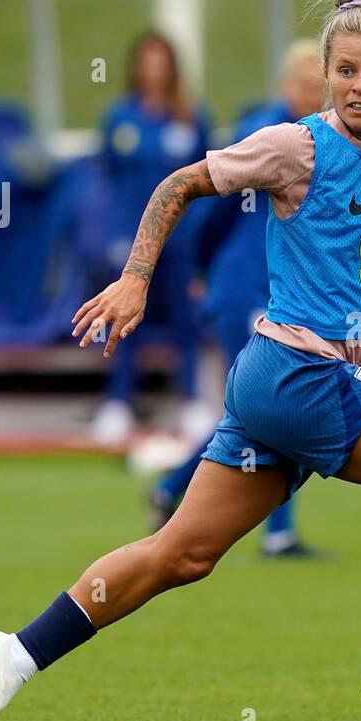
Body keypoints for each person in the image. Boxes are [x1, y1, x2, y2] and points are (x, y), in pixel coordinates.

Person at [0, 0, 361, 721]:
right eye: (344, 71)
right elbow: (179, 183)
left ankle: (16, 653)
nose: (359, 85)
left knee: (182, 553)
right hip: (302, 371)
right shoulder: (293, 146)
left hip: (277, 381)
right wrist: (136, 279)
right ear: (323, 78)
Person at [147, 40, 326, 558]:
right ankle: (278, 533)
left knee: (252, 412)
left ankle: (170, 485)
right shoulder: (266, 136)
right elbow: (211, 210)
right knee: (275, 404)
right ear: (286, 87)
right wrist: (203, 270)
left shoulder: (326, 145)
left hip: (284, 292)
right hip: (244, 287)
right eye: (307, 86)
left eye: (322, 88)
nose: (315, 96)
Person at [91, 31, 212, 447]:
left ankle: (192, 402)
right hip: (131, 246)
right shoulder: (119, 119)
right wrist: (110, 236)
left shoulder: (191, 118)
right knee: (125, 322)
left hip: (179, 245)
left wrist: (199, 250)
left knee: (185, 321)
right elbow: (105, 181)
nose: (154, 69)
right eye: (148, 61)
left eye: (162, 61)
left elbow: (204, 184)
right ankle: (118, 404)